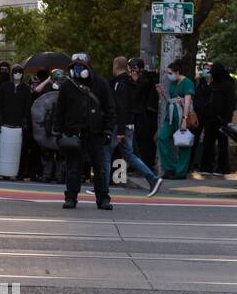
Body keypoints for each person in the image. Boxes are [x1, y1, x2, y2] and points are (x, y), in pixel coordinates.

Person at [53, 54, 116, 210]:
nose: (77, 70)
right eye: (75, 67)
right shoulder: (68, 86)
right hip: (73, 133)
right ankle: (71, 198)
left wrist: (108, 130)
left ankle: (103, 199)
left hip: (96, 133)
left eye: (81, 67)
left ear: (88, 68)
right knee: (73, 167)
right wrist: (58, 131)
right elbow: (59, 109)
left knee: (99, 167)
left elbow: (110, 108)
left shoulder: (100, 84)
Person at [112, 57, 162, 196]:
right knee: (127, 153)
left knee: (108, 152)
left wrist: (135, 81)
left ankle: (101, 185)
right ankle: (151, 178)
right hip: (131, 120)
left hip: (135, 120)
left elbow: (128, 102)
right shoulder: (130, 82)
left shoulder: (141, 81)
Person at [156, 59, 195, 179]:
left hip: (181, 113)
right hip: (171, 114)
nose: (169, 75)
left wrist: (184, 118)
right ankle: (169, 168)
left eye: (170, 73)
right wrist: (162, 94)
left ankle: (181, 172)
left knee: (183, 141)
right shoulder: (173, 84)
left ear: (177, 72)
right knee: (161, 136)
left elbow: (187, 102)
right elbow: (170, 99)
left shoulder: (187, 82)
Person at [199, 62, 236, 176]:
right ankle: (206, 166)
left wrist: (227, 119)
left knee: (222, 144)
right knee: (208, 143)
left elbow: (230, 104)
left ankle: (222, 167)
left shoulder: (228, 85)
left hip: (221, 120)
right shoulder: (213, 84)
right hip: (210, 119)